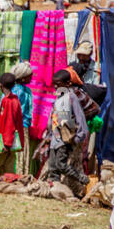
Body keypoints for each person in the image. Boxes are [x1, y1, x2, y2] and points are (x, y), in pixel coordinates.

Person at [42, 69, 89, 198]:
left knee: (61, 165)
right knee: (53, 167)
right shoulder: (58, 97)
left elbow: (80, 118)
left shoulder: (71, 97)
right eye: (54, 84)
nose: (56, 86)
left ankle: (83, 179)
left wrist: (79, 137)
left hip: (65, 139)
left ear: (68, 83)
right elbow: (53, 117)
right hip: (54, 139)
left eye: (58, 84)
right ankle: (55, 191)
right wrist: (48, 135)